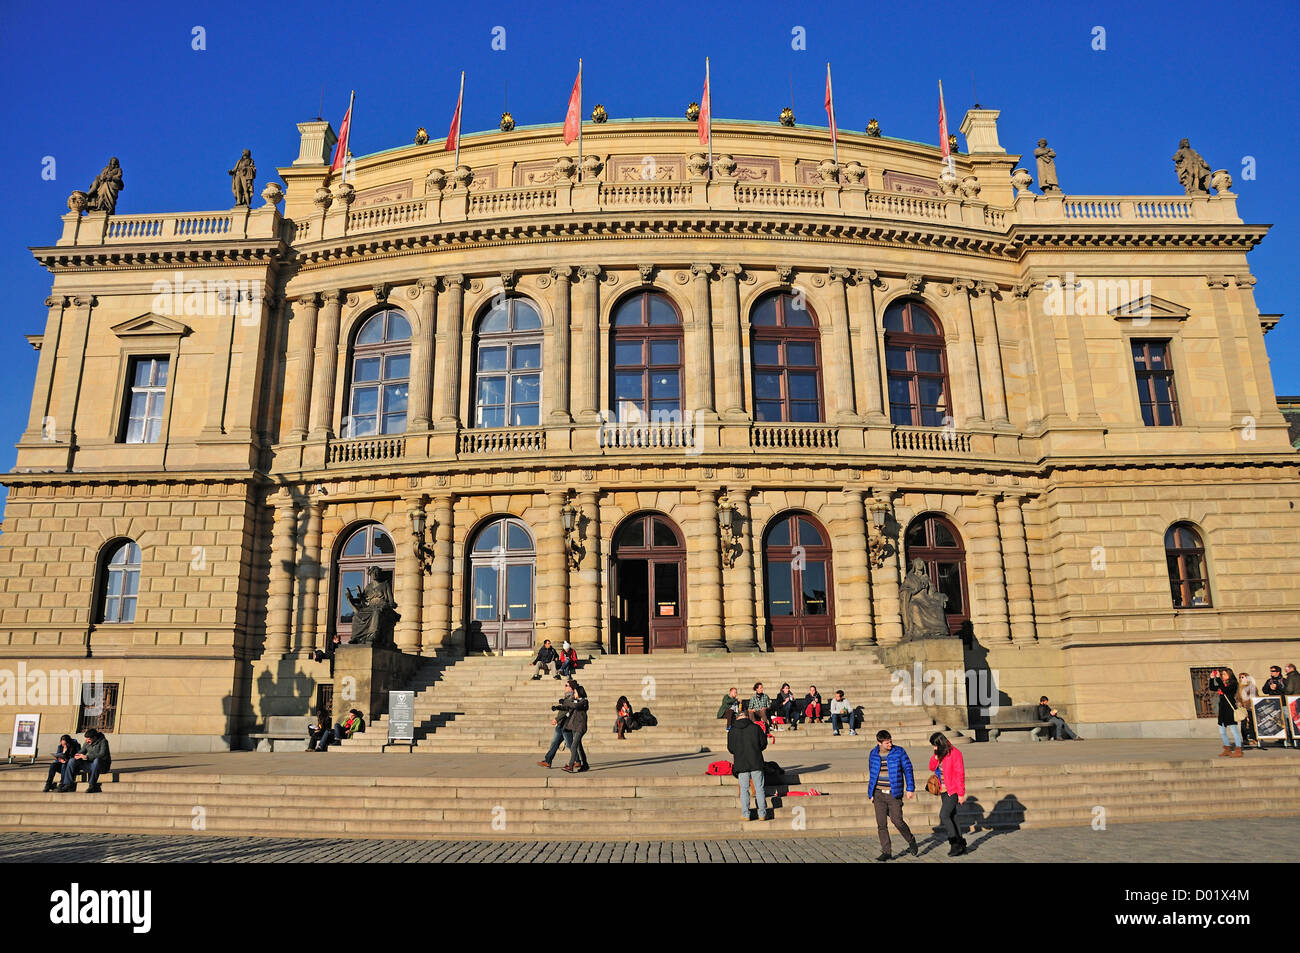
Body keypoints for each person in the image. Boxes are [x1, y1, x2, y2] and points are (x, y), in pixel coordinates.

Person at [868, 729, 918, 861]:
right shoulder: (873, 754)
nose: (890, 744)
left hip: (893, 793)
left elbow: (908, 769)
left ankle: (911, 839)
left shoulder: (899, 752)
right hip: (878, 794)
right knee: (881, 824)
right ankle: (886, 852)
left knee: (897, 821)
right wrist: (870, 793)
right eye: (886, 743)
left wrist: (910, 788)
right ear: (879, 743)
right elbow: (872, 774)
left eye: (890, 742)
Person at [928, 732, 967, 856]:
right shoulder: (939, 753)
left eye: (935, 745)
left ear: (940, 743)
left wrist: (961, 794)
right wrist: (935, 756)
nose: (934, 748)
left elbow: (960, 774)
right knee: (953, 816)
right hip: (943, 790)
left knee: (944, 815)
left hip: (953, 790)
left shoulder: (955, 753)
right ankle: (961, 844)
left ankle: (954, 844)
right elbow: (931, 767)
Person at [727, 709, 769, 822]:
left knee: (744, 790)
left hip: (741, 763)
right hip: (756, 761)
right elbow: (763, 744)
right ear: (747, 717)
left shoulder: (732, 730)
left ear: (737, 718)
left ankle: (746, 814)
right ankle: (762, 814)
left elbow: (730, 748)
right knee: (759, 788)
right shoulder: (756, 728)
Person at [62, 729, 111, 794]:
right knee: (72, 761)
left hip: (102, 766)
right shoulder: (87, 743)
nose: (87, 741)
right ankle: (68, 784)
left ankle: (92, 785)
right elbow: (81, 751)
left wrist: (87, 757)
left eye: (89, 739)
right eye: (86, 739)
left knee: (97, 760)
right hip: (90, 765)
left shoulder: (103, 742)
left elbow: (102, 754)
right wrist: (76, 755)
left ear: (94, 738)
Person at [1207, 669, 1243, 757]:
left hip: (1230, 710)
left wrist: (1218, 679)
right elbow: (1212, 688)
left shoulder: (1233, 683)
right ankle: (1227, 749)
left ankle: (1238, 750)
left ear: (1229, 675)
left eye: (1224, 674)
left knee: (1234, 730)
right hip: (1222, 710)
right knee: (1222, 731)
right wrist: (1212, 679)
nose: (1222, 675)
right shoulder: (1223, 683)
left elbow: (1225, 690)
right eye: (1222, 674)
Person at [537, 683, 573, 768]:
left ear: (571, 688)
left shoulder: (571, 698)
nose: (565, 687)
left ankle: (577, 761)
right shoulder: (567, 697)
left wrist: (557, 719)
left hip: (566, 725)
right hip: (561, 724)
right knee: (555, 743)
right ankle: (548, 761)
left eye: (567, 685)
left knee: (570, 744)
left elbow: (565, 711)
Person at [559, 680, 589, 773]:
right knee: (579, 747)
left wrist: (566, 701)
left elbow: (574, 706)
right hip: (575, 727)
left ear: (579, 693)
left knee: (573, 746)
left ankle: (570, 766)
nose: (574, 694)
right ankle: (585, 765)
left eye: (575, 692)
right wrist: (558, 707)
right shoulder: (577, 701)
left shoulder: (584, 701)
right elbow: (570, 707)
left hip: (580, 727)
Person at [1237, 673, 1259, 747]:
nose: (1241, 679)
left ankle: (1254, 738)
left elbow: (1255, 696)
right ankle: (1245, 739)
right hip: (1243, 708)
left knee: (1252, 723)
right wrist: (1239, 703)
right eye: (1240, 677)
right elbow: (1237, 698)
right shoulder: (1239, 687)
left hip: (1250, 707)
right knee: (1243, 723)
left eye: (1242, 677)